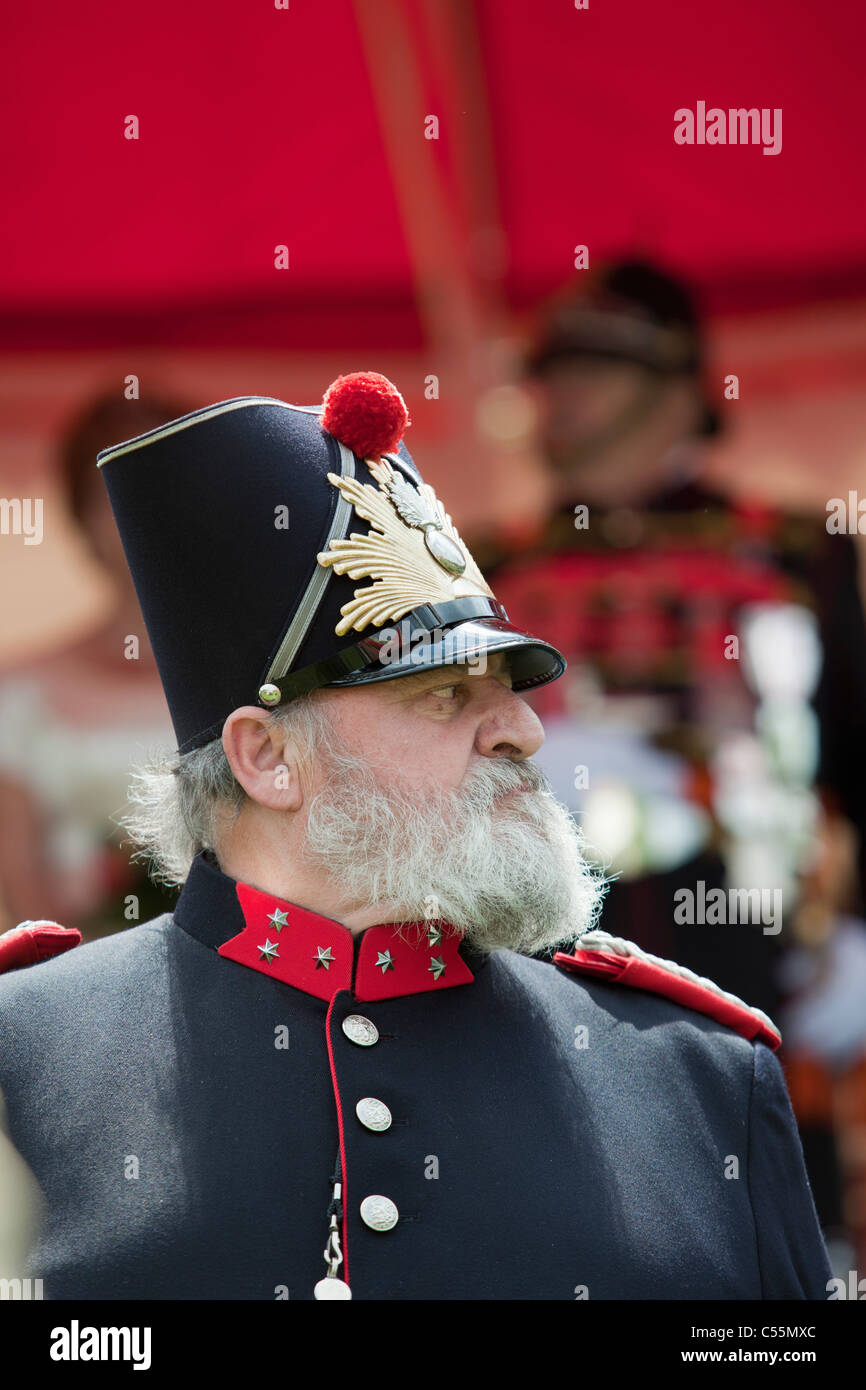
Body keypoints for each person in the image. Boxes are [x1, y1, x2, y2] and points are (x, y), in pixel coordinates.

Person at [0, 372, 831, 1299]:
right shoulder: (22, 1052)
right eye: (445, 694)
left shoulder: (701, 1077)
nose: (524, 731)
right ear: (267, 758)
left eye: (510, 688)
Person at [472, 260, 866, 1022]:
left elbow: (857, 753)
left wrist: (861, 931)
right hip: (537, 958)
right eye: (552, 370)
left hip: (757, 951)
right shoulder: (485, 562)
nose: (560, 393)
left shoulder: (795, 550)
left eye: (595, 367)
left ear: (679, 387)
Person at [0, 392, 182, 940]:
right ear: (81, 513)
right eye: (119, 491)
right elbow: (25, 900)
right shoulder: (19, 692)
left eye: (167, 486)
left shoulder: (269, 672)